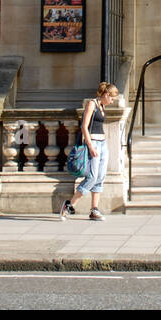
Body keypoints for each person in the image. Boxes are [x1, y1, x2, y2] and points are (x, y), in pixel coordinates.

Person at [61, 82, 120, 221]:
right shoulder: (92, 104)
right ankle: (69, 205)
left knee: (100, 177)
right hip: (93, 143)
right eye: (111, 98)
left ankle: (94, 210)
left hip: (102, 144)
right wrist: (90, 146)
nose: (112, 101)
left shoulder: (102, 106)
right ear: (106, 95)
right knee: (92, 177)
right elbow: (84, 127)